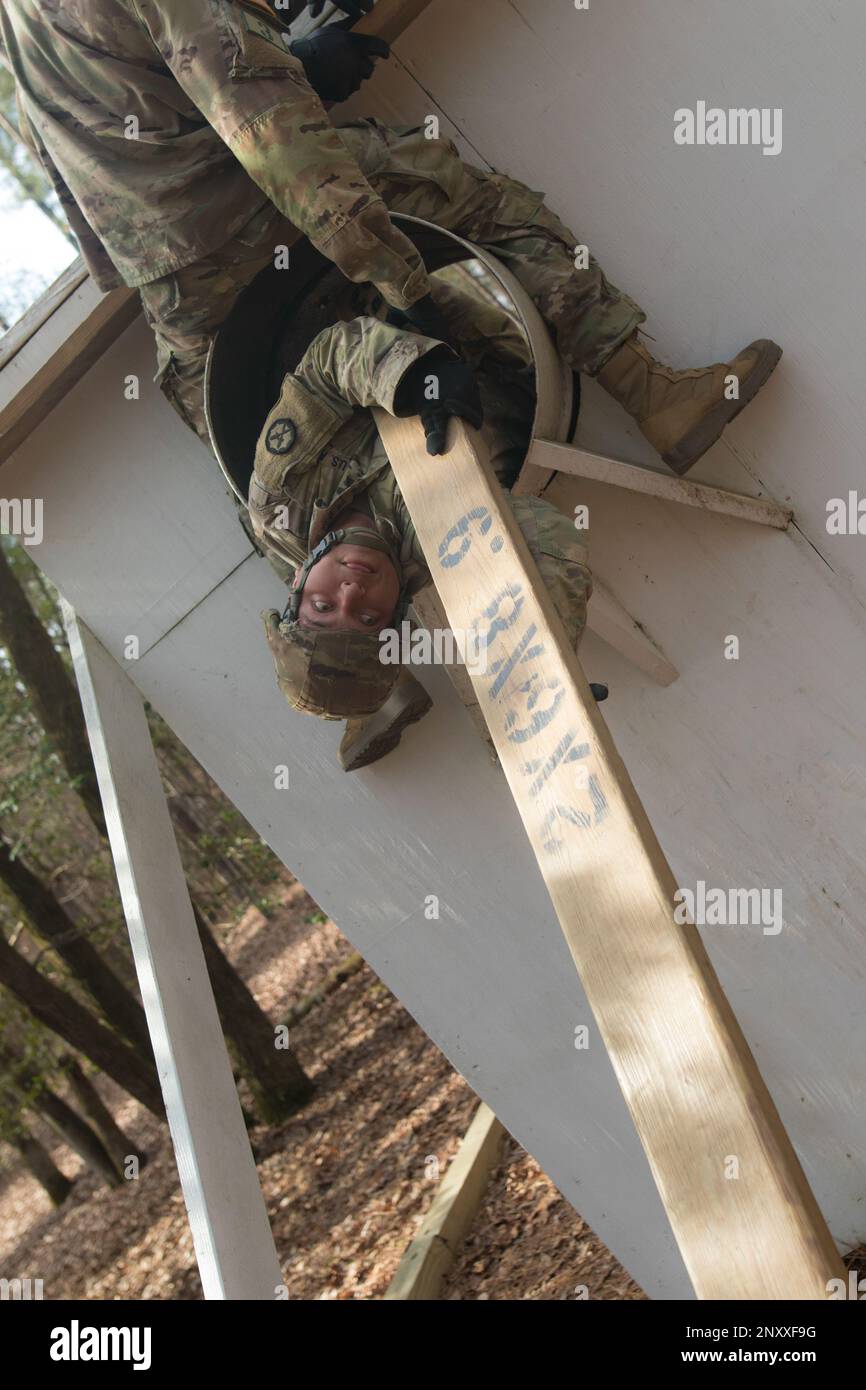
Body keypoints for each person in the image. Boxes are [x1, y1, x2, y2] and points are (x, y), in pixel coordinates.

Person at [1, 0, 781, 477]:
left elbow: (94, 144)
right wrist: (405, 288)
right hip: (252, 201)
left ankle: (357, 668)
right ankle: (653, 396)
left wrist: (290, 61)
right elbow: (278, 143)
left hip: (169, 274)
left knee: (244, 442)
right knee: (455, 192)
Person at [249, 268, 599, 770]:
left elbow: (326, 362)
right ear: (396, 616)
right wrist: (547, 658)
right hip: (504, 368)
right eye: (368, 618)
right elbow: (548, 539)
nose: (351, 592)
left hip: (370, 293)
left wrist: (415, 377)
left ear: (299, 581)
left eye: (324, 605)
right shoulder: (439, 550)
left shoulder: (282, 498)